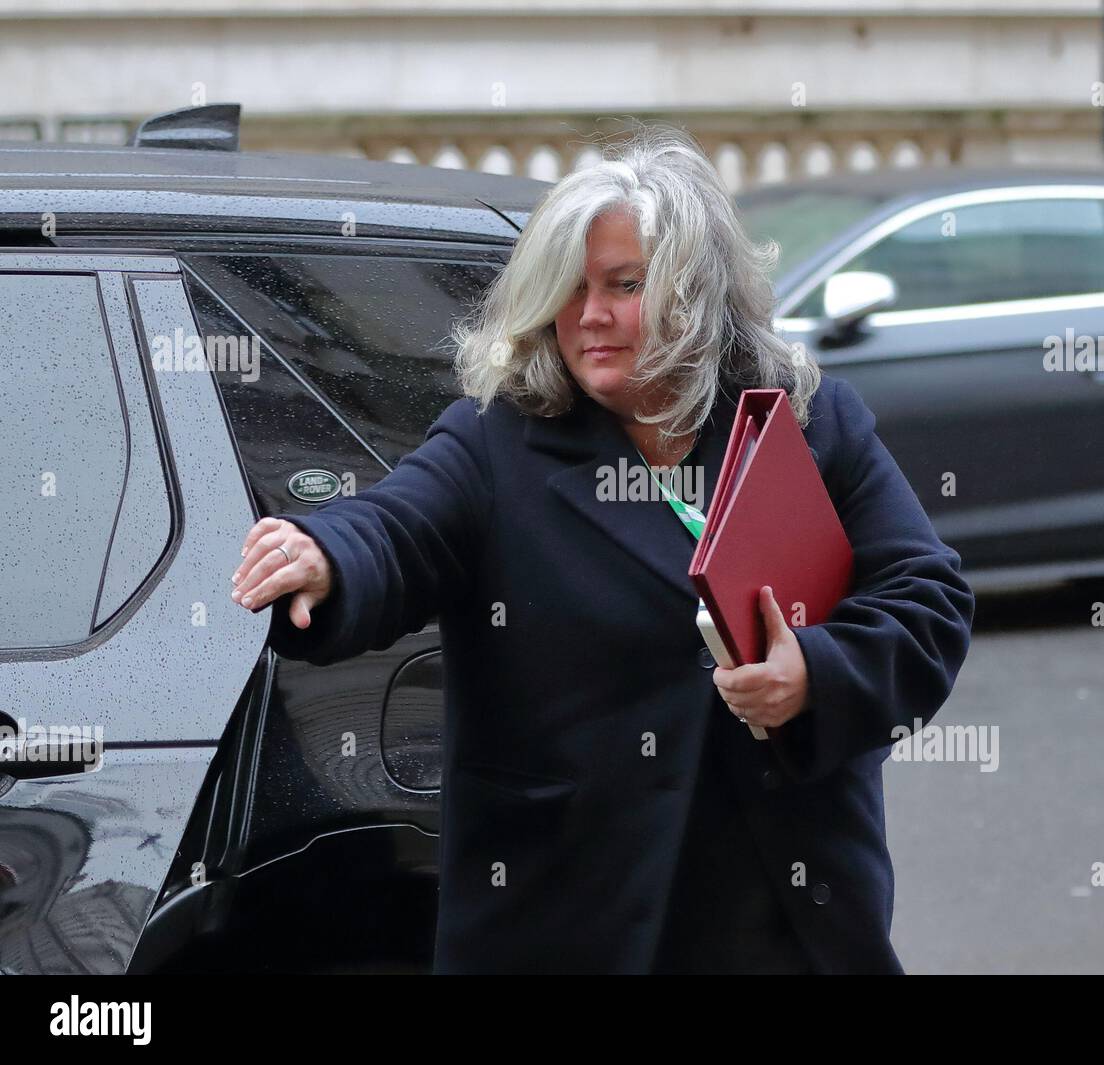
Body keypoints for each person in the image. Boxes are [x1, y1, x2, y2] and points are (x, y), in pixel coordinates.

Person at [230, 124, 975, 974]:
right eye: (572, 289)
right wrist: (326, 558)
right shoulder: (496, 440)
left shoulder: (805, 421)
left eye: (624, 285)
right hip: (570, 916)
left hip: (784, 916)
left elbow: (928, 599)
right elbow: (398, 529)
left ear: (695, 293)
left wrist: (814, 672)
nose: (590, 317)